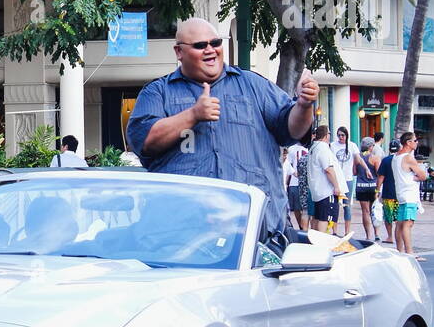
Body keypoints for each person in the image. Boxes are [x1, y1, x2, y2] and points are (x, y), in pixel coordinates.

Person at [125, 18, 317, 232]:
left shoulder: (254, 85)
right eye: (200, 45)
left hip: (254, 231)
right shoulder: (158, 92)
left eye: (215, 43)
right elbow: (143, 140)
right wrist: (192, 115)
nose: (210, 50)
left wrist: (303, 105)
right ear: (179, 52)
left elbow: (292, 131)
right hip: (181, 235)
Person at [391, 131, 428, 259]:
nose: (417, 143)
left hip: (401, 192)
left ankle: (400, 250)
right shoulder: (408, 158)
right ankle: (409, 251)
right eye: (415, 140)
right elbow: (423, 175)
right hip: (409, 194)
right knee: (408, 223)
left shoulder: (396, 157)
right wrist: (416, 178)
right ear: (409, 143)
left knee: (400, 223)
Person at [307, 125, 346, 233]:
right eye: (329, 133)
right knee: (325, 218)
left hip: (317, 190)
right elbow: (328, 169)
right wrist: (336, 186)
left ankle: (315, 241)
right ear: (326, 135)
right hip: (326, 190)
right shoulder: (323, 148)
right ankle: (322, 241)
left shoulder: (313, 148)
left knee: (317, 216)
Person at [331, 126, 364, 236]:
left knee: (347, 206)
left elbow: (358, 158)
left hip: (348, 178)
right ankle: (334, 230)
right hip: (336, 178)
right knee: (334, 205)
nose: (341, 137)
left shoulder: (352, 145)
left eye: (343, 135)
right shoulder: (333, 145)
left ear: (346, 136)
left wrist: (366, 169)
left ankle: (347, 230)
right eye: (339, 135)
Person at [355, 137, 379, 242]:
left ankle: (368, 235)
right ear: (370, 147)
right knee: (374, 210)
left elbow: (354, 172)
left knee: (365, 212)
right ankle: (377, 233)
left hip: (361, 186)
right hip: (373, 186)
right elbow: (379, 173)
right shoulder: (375, 158)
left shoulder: (357, 157)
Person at [374, 140, 399, 244]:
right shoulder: (401, 159)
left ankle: (390, 236)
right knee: (398, 217)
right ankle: (399, 235)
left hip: (388, 193)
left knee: (388, 216)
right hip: (400, 193)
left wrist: (377, 190)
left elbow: (381, 177)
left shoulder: (385, 160)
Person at [283, 140, 309, 231]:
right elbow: (288, 168)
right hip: (295, 183)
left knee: (303, 209)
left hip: (302, 183)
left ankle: (303, 228)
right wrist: (285, 184)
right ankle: (301, 228)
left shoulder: (310, 147)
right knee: (297, 209)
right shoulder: (291, 149)